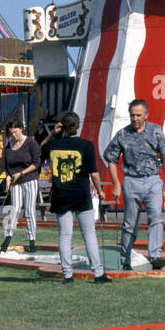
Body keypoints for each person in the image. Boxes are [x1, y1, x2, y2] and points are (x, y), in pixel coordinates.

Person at [103, 98, 165, 271]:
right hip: (131, 181)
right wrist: (116, 184)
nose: (135, 119)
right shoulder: (122, 134)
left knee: (156, 216)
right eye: (132, 115)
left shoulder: (156, 131)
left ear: (146, 115)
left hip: (153, 180)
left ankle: (155, 255)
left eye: (138, 115)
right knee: (129, 223)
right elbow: (111, 159)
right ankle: (125, 259)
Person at [45, 111, 109, 284]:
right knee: (89, 234)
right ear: (78, 126)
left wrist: (52, 134)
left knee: (65, 236)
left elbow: (38, 148)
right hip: (80, 194)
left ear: (63, 127)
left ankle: (67, 275)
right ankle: (98, 273)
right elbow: (93, 173)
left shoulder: (54, 146)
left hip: (61, 194)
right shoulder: (86, 146)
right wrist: (99, 190)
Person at [0, 122, 42, 253]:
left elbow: (36, 163)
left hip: (29, 179)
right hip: (15, 181)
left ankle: (32, 241)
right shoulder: (9, 146)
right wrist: (7, 177)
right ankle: (7, 237)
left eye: (16, 132)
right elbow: (7, 167)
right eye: (11, 133)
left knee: (29, 211)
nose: (14, 135)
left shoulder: (31, 143)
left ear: (21, 129)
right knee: (14, 209)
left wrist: (21, 173)